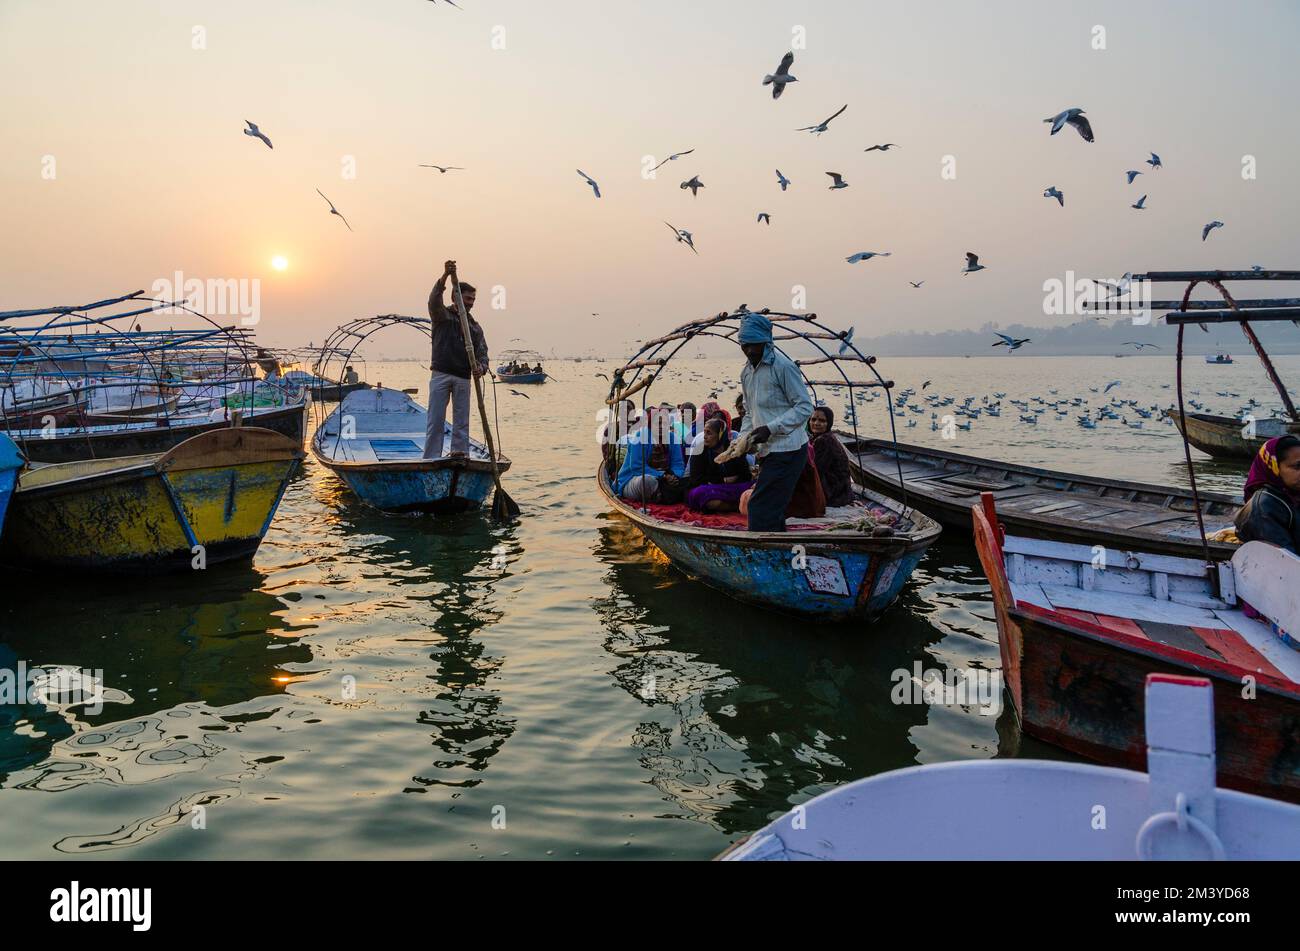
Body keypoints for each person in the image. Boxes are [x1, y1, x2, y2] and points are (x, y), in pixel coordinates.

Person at [734, 312, 814, 532]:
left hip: (788, 449)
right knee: (772, 506)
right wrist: (743, 439)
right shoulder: (747, 373)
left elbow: (805, 407)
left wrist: (770, 428)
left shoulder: (783, 367)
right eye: (745, 345)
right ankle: (781, 553)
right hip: (767, 451)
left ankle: (762, 555)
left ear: (766, 342)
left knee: (760, 506)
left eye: (755, 345)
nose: (750, 351)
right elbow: (749, 412)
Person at [424, 259, 488, 459]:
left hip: (463, 377)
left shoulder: (475, 327)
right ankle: (431, 458)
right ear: (455, 297)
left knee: (461, 421)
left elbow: (483, 354)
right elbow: (433, 300)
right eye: (467, 299)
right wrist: (445, 276)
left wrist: (480, 367)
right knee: (436, 419)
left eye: (472, 300)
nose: (470, 303)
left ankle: (460, 454)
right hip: (441, 373)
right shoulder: (442, 316)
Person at [1235, 435, 1300, 553]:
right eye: (1297, 466)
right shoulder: (1264, 506)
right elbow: (1285, 558)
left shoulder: (1293, 496)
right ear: (1274, 467)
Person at [615, 407, 686, 504]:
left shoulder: (672, 438)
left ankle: (662, 495)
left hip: (666, 479)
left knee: (687, 479)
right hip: (633, 479)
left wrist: (675, 476)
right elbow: (637, 467)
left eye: (664, 423)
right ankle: (660, 496)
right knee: (647, 481)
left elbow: (678, 464)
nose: (661, 426)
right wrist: (663, 476)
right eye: (658, 423)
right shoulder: (640, 436)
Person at [685, 418, 753, 512]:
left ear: (720, 435)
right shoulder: (700, 450)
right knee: (703, 495)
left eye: (709, 433)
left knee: (754, 488)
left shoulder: (733, 449)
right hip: (710, 489)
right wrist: (723, 480)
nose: (704, 436)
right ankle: (737, 506)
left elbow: (745, 475)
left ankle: (734, 505)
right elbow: (696, 479)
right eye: (704, 432)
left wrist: (732, 483)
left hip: (733, 488)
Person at [808, 406, 855, 507]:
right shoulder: (822, 437)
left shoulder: (824, 440)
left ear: (828, 423)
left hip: (835, 494)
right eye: (813, 419)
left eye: (822, 420)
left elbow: (815, 471)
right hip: (841, 491)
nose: (816, 423)